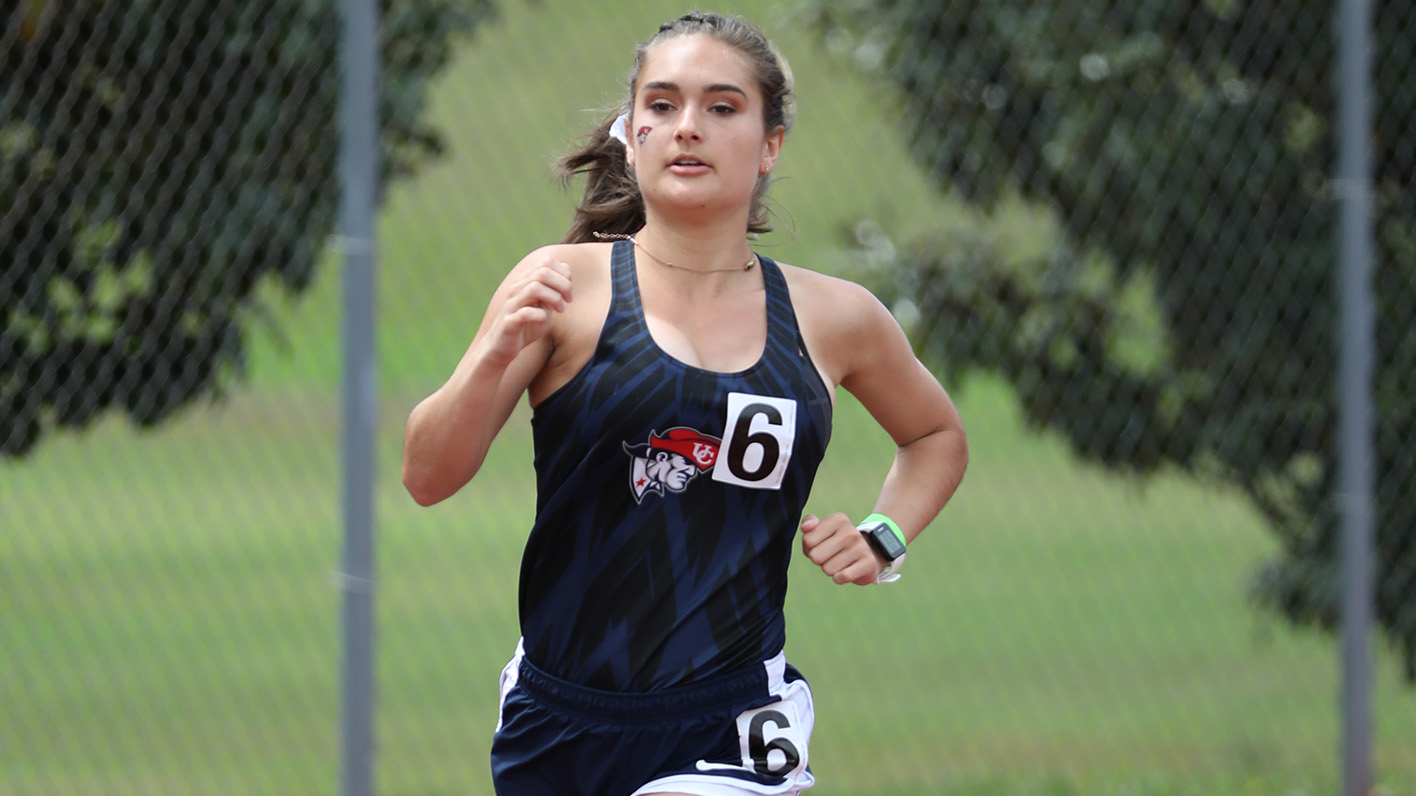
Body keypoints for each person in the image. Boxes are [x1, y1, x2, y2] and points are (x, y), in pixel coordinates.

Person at [401, 10, 968, 796]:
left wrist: (883, 537)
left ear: (771, 144)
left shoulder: (834, 317)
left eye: (722, 107)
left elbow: (936, 432)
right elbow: (427, 475)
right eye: (662, 106)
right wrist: (492, 352)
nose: (687, 128)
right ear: (631, 133)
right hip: (558, 717)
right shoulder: (563, 288)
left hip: (731, 721)